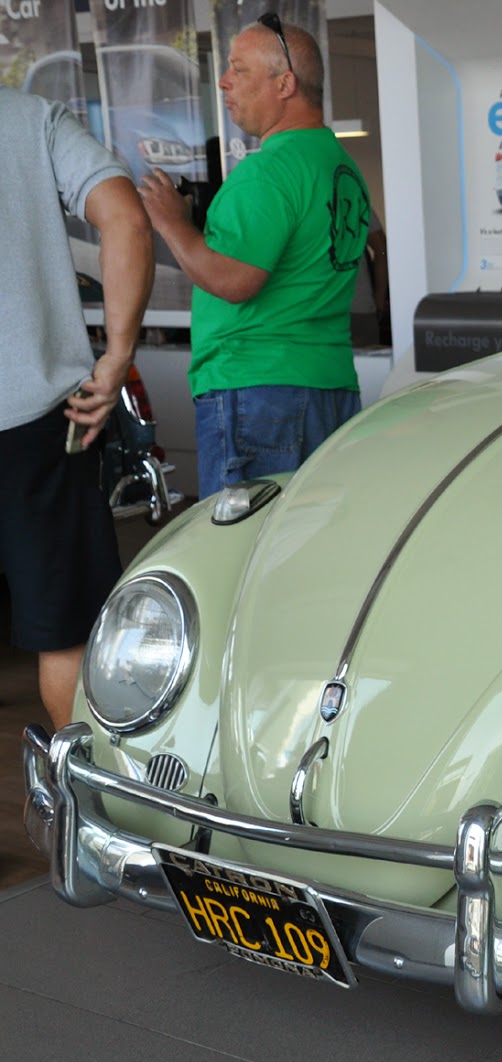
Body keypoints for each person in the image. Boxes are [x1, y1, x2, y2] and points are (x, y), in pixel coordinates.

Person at [138, 13, 371, 498]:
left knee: (241, 556)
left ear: (284, 83)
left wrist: (171, 223)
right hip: (327, 387)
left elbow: (234, 281)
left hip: (258, 393)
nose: (223, 81)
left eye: (238, 69)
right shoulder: (338, 166)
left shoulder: (268, 172)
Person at [0, 87, 155, 729]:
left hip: (37, 428)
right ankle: (80, 811)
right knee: (66, 631)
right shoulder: (30, 119)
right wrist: (115, 357)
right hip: (36, 426)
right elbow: (127, 219)